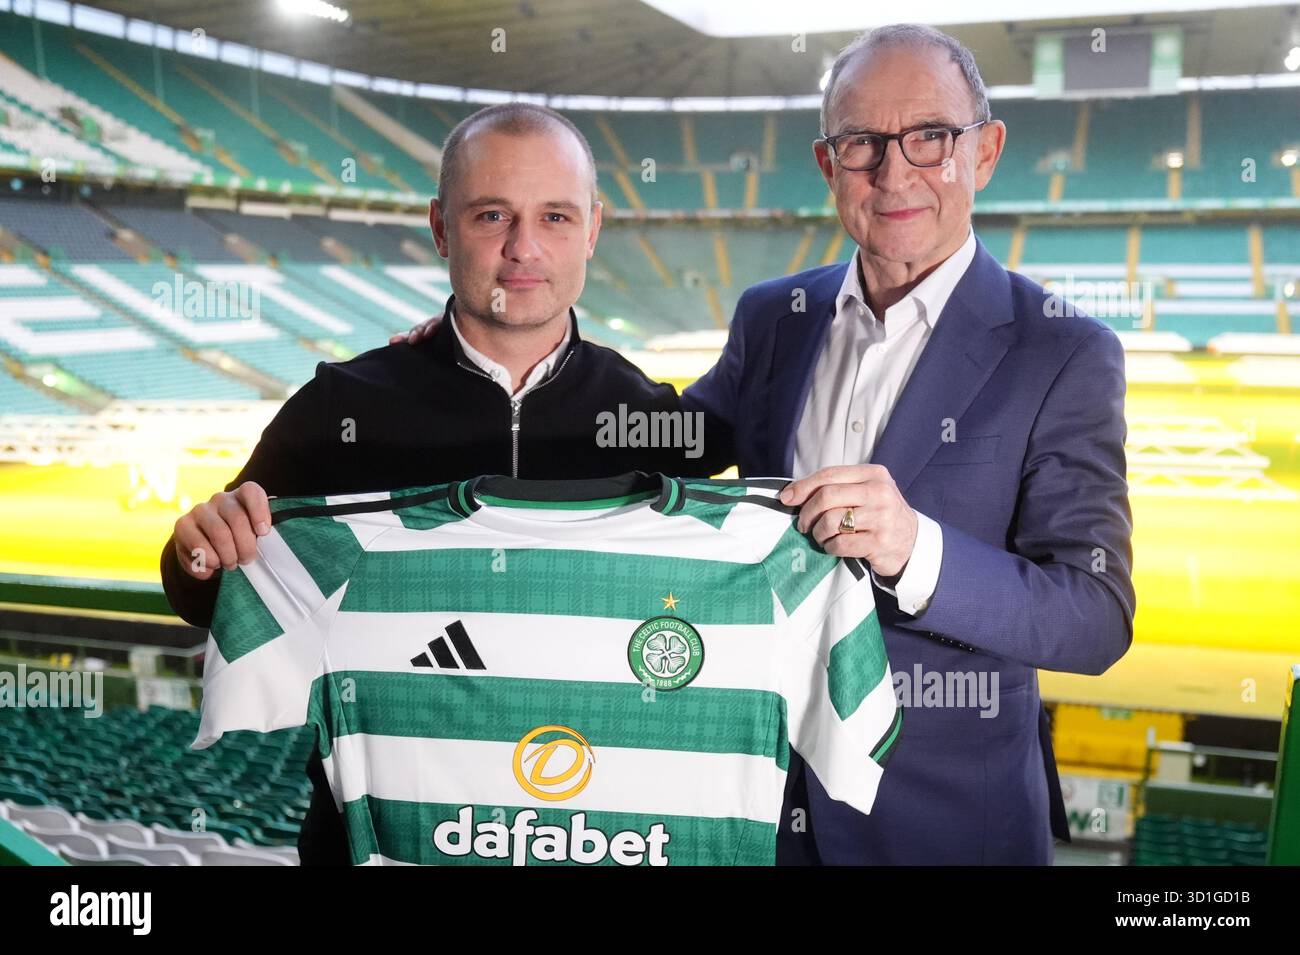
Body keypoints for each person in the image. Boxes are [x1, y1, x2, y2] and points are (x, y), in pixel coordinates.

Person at [399, 23, 1135, 865]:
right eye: (862, 143)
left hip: (944, 829)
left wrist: (915, 549)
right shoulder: (774, 316)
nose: (895, 172)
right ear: (829, 164)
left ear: (987, 150)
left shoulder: (1062, 351)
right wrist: (488, 346)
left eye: (930, 137)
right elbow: (655, 443)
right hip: (752, 806)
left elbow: (1094, 615)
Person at [161, 103, 724, 865]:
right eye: (492, 214)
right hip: (378, 845)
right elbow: (209, 585)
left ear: (593, 228)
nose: (523, 248)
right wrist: (198, 547)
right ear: (440, 228)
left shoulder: (660, 423)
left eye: (555, 216)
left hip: (599, 840)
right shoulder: (342, 405)